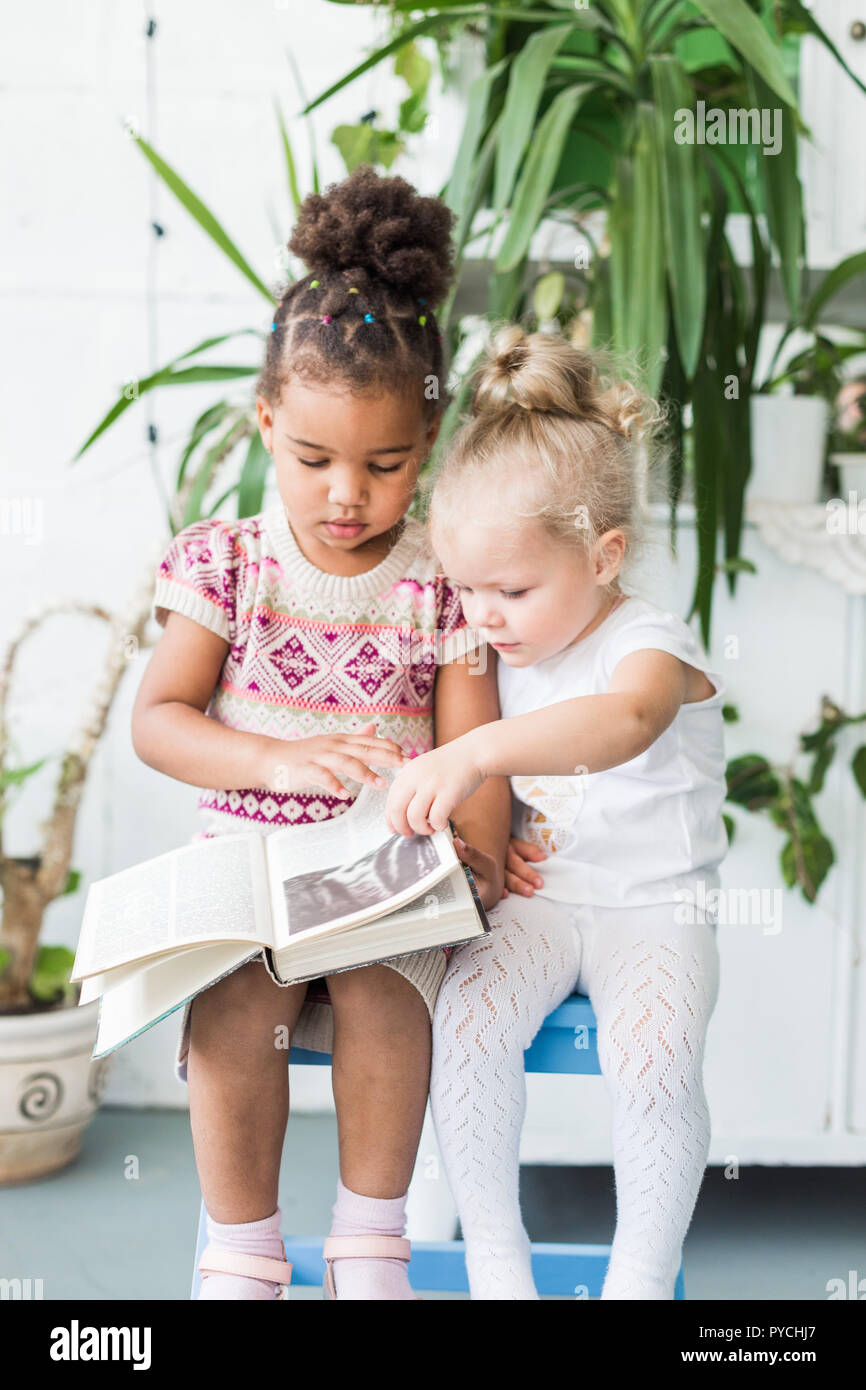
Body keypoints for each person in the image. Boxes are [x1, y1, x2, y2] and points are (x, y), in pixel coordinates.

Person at [130, 166, 510, 1300]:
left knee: (388, 990)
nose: (346, 492)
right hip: (248, 863)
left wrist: (478, 851)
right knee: (234, 997)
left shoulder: (441, 578)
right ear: (265, 424)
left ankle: (367, 1245)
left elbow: (470, 743)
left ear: (428, 440)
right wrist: (273, 759)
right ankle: (243, 1248)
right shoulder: (227, 561)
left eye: (384, 465)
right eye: (313, 460)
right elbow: (159, 721)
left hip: (378, 866)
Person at [385, 324, 728, 1300]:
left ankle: (636, 1275)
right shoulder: (497, 640)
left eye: (511, 589)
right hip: (545, 900)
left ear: (603, 553)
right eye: (464, 588)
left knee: (654, 1060)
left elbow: (620, 724)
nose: (482, 614)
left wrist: (480, 750)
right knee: (468, 1021)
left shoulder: (648, 643)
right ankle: (498, 1260)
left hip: (651, 906)